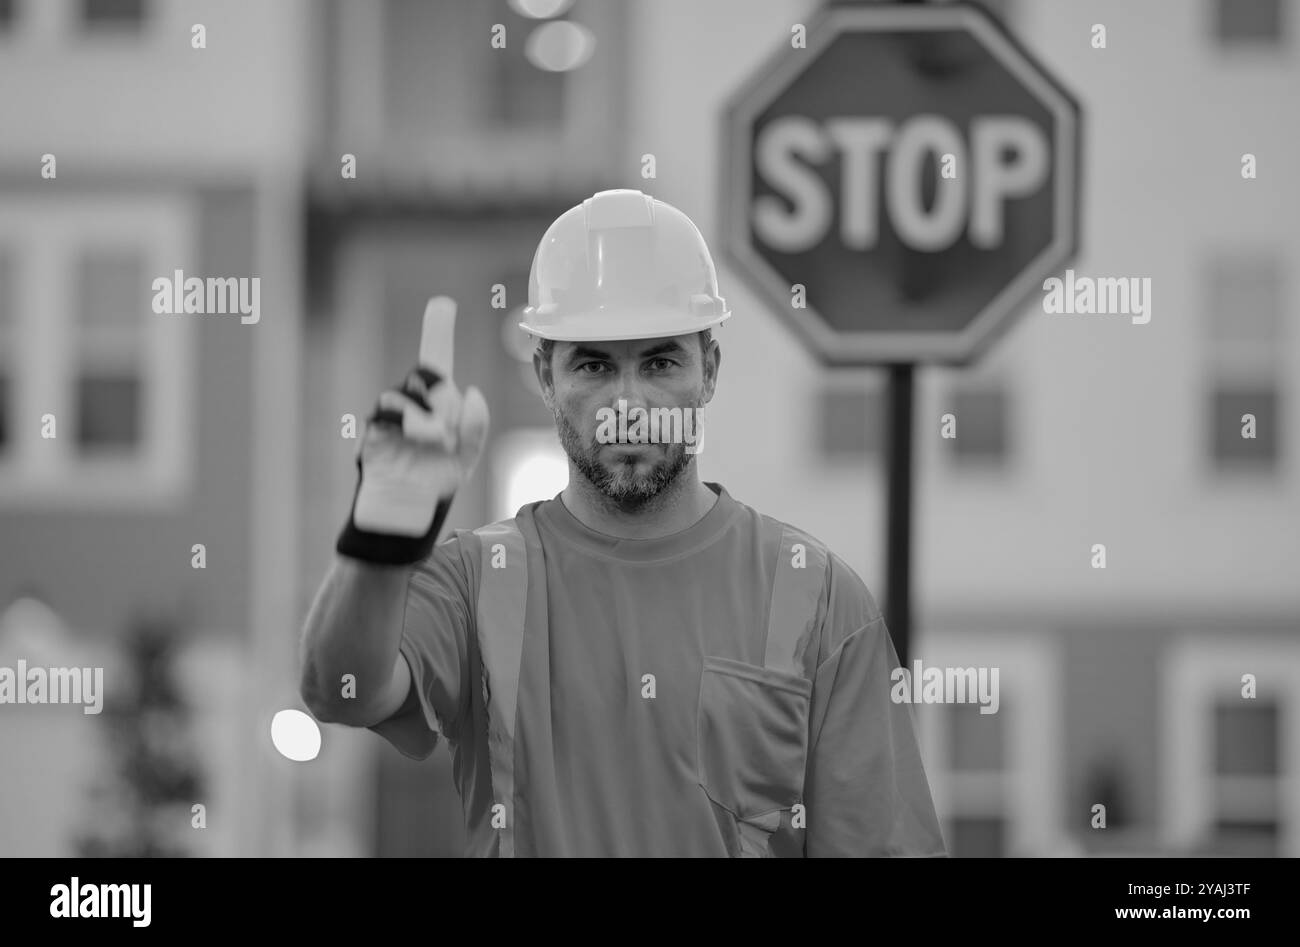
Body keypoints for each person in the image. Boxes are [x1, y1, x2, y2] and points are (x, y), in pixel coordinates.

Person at [299, 188, 947, 858]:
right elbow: (338, 691)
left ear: (710, 370)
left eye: (661, 361)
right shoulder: (478, 580)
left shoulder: (816, 594)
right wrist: (378, 544)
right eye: (594, 364)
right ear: (546, 376)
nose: (628, 401)